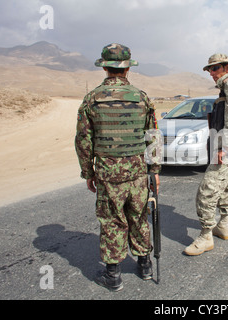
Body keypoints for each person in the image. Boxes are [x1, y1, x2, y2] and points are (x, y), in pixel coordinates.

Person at [75, 43, 161, 291]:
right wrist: (154, 171)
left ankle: (113, 275)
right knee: (138, 216)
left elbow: (83, 140)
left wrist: (88, 172)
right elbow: (153, 136)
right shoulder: (142, 97)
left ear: (104, 67)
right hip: (137, 171)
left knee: (112, 220)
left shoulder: (92, 98)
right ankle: (145, 265)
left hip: (107, 173)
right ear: (127, 69)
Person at [184, 53, 228, 256]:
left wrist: (225, 147)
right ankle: (223, 226)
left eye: (215, 68)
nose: (211, 73)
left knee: (207, 191)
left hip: (227, 146)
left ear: (226, 68)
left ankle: (206, 236)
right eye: (209, 69)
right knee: (227, 186)